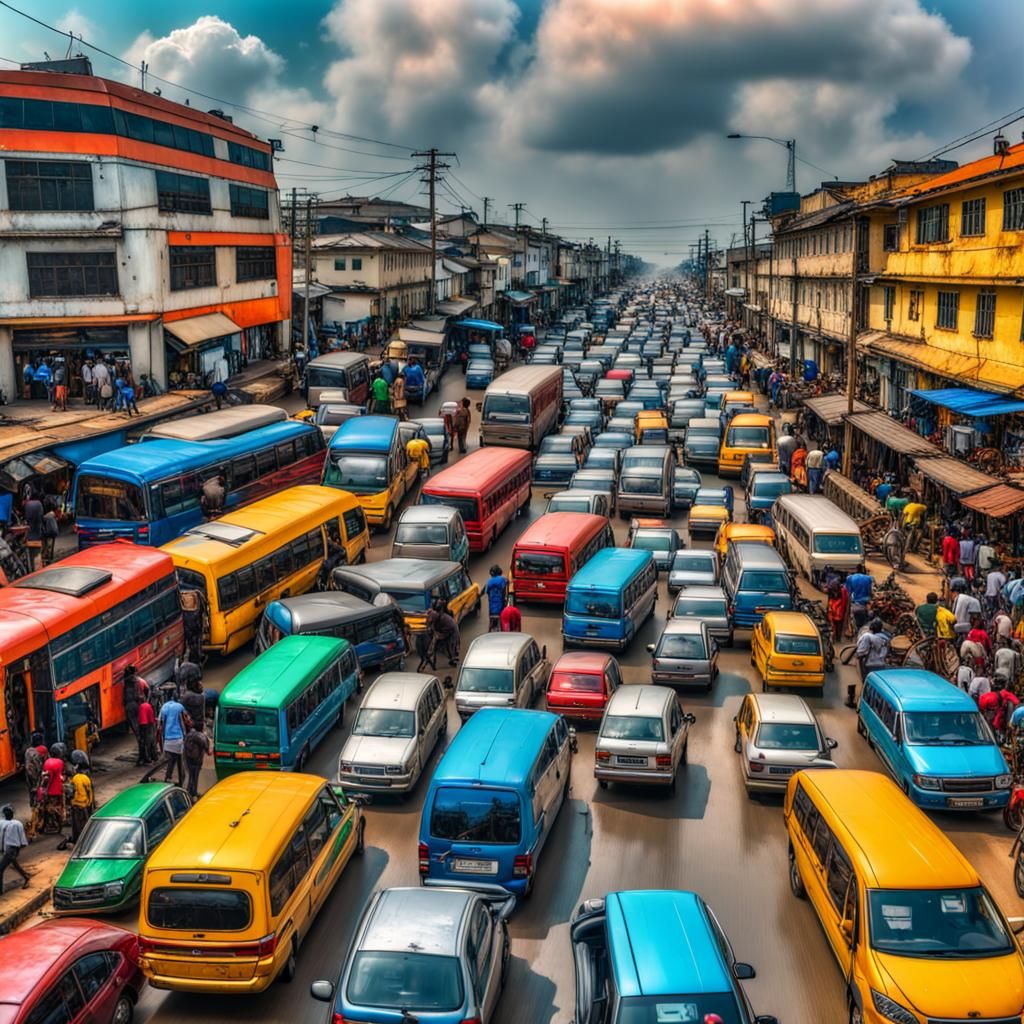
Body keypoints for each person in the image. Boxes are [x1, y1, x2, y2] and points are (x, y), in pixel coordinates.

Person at [146, 695, 187, 786]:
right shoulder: (179, 706)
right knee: (179, 761)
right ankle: (180, 781)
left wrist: (162, 739)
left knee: (166, 761)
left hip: (168, 739)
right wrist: (185, 735)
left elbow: (161, 725)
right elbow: (184, 721)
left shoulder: (164, 708)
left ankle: (165, 777)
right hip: (178, 738)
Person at [0, 806, 31, 892]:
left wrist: (20, 847)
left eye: (8, 813)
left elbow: (22, 837)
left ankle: (0, 890)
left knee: (0, 869)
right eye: (5, 813)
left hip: (12, 849)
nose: (7, 814)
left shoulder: (17, 824)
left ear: (12, 814)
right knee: (15, 865)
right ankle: (26, 877)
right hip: (6, 849)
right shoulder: (2, 823)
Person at [183, 721, 211, 800]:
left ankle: (189, 791)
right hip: (197, 759)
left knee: (191, 775)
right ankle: (193, 793)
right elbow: (208, 750)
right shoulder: (202, 737)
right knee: (195, 776)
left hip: (188, 758)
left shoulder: (188, 735)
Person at [427, 599, 460, 666]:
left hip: (451, 630)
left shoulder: (440, 617)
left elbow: (438, 628)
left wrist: (439, 634)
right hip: (448, 628)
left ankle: (452, 660)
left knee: (451, 645)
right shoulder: (435, 614)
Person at [41, 748, 67, 834]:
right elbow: (62, 773)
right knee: (59, 807)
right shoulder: (60, 762)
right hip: (59, 789)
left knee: (48, 809)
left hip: (50, 790)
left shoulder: (47, 762)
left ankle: (49, 826)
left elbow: (46, 778)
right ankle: (60, 826)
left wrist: (43, 789)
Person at [67, 765, 93, 844]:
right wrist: (89, 803)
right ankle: (86, 839)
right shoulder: (86, 779)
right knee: (85, 823)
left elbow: (70, 792)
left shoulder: (74, 778)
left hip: (75, 804)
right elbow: (90, 792)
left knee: (76, 824)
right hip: (84, 804)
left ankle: (77, 840)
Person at [843, 566, 874, 630]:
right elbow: (870, 592)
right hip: (866, 606)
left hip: (855, 605)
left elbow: (848, 594)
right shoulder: (869, 578)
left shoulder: (850, 578)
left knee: (856, 626)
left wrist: (847, 611)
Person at [23, 490, 43, 572]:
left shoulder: (27, 504)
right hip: (37, 533)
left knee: (29, 554)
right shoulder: (39, 504)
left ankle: (30, 570)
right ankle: (37, 572)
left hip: (29, 534)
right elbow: (41, 517)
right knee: (36, 554)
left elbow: (26, 517)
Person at [484, 565, 509, 631]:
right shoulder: (502, 579)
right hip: (501, 606)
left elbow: (486, 592)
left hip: (492, 608)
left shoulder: (489, 581)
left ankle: (491, 629)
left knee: (491, 621)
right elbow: (505, 590)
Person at [137, 695, 157, 765]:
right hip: (147, 725)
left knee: (143, 741)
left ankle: (144, 757)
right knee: (149, 741)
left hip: (141, 725)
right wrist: (153, 723)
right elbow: (151, 716)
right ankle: (149, 757)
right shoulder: (148, 706)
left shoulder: (140, 706)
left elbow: (139, 717)